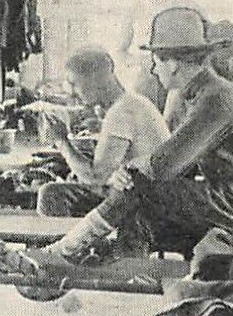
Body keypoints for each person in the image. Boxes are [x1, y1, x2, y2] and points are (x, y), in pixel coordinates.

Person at [33, 6, 233, 266]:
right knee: (138, 210)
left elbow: (162, 166)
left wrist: (128, 169)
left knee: (138, 185)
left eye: (155, 62)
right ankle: (126, 272)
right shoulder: (203, 93)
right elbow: (178, 164)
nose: (153, 70)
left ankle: (64, 251)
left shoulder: (215, 100)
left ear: (173, 64)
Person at [35, 46, 170, 218]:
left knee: (51, 194)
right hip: (145, 194)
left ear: (94, 81)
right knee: (69, 179)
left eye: (74, 84)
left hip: (144, 205)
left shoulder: (122, 112)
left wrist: (61, 141)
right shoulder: (131, 102)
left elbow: (95, 177)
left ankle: (61, 237)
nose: (72, 93)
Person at [116, 0, 200, 109]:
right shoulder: (134, 9)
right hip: (146, 77)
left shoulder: (181, 5)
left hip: (174, 77)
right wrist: (138, 61)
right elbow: (120, 51)